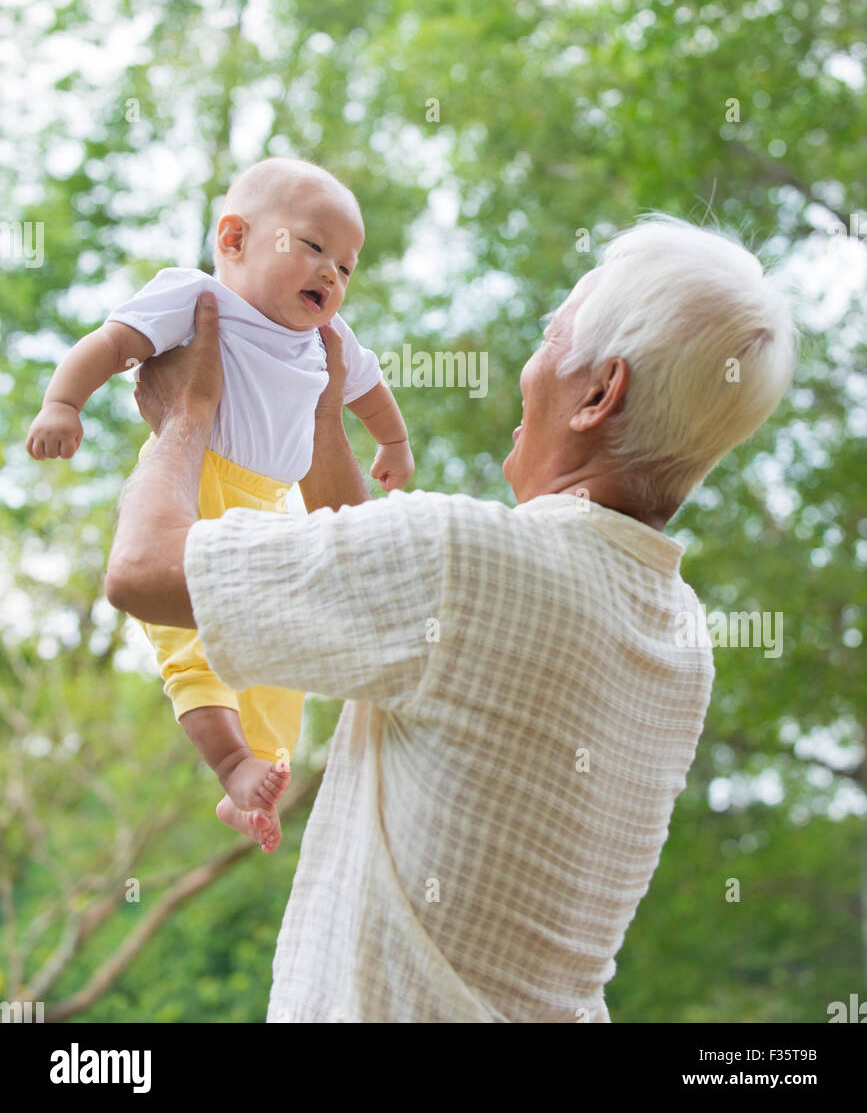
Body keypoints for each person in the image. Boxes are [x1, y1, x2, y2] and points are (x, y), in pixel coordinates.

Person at [105, 213, 795, 1023]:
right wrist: (323, 420)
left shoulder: (466, 562)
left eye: (548, 340)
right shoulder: (679, 639)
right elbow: (386, 607)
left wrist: (186, 420)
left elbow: (143, 572)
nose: (529, 369)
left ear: (600, 393)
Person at [26, 157, 414, 853]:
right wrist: (63, 403)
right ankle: (229, 761)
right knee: (195, 643)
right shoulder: (195, 298)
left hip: (271, 504)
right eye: (313, 247)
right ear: (234, 240)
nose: (331, 274)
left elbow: (369, 390)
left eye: (347, 267)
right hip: (191, 486)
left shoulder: (328, 342)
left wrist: (394, 443)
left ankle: (260, 765)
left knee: (272, 648)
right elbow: (112, 345)